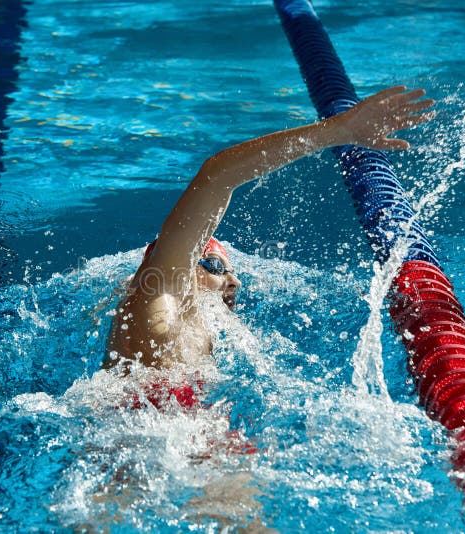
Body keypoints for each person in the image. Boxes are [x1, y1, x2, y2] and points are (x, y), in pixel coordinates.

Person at [103, 86, 434, 384]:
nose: (234, 282)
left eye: (230, 272)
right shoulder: (161, 293)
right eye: (216, 267)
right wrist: (339, 130)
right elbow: (216, 176)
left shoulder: (181, 330)